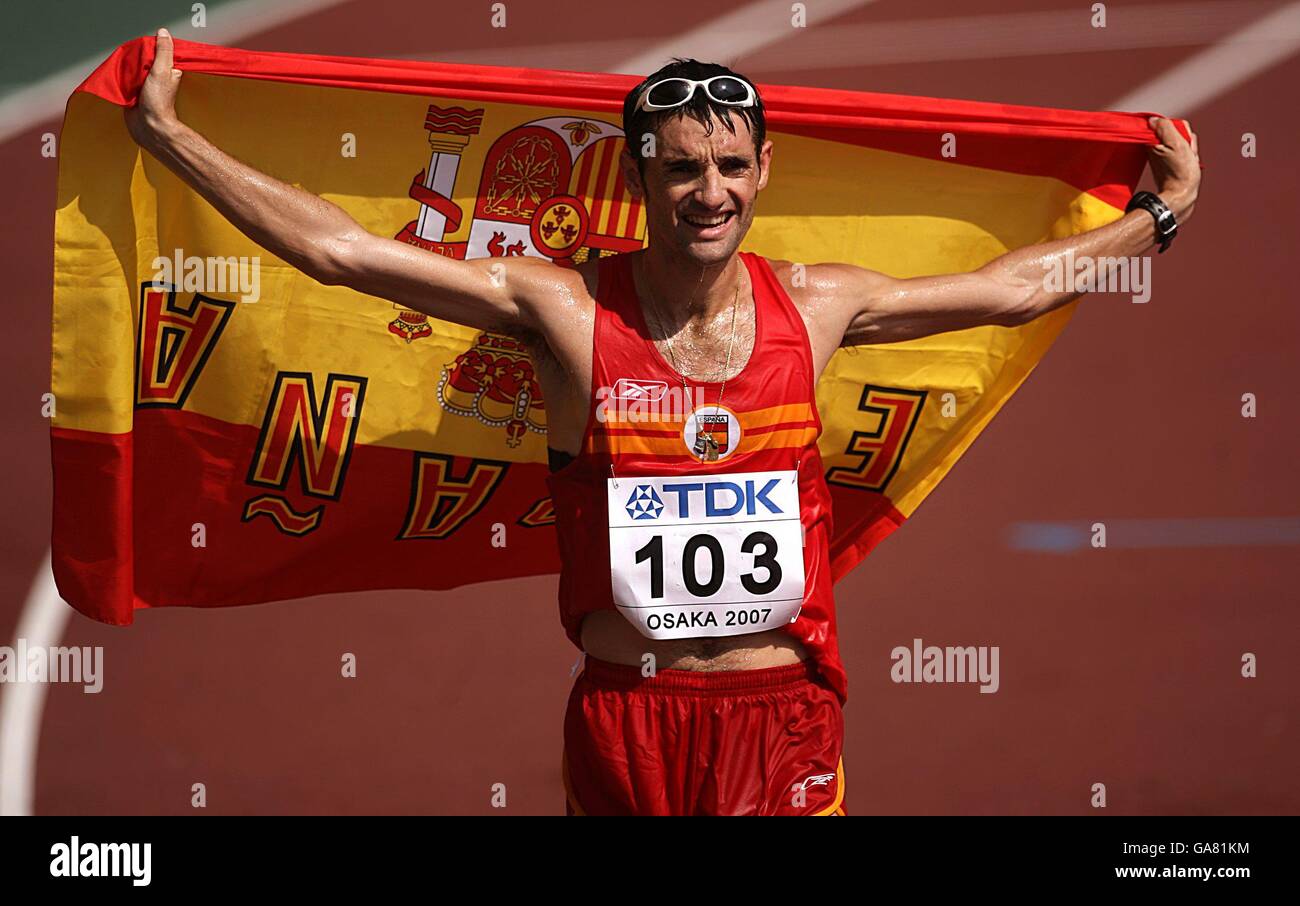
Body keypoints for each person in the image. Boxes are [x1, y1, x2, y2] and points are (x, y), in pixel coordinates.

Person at [125, 28, 1201, 815]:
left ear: (763, 172)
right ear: (639, 169)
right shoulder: (564, 309)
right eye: (682, 165)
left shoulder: (818, 306)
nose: (709, 191)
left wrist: (1151, 218)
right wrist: (172, 141)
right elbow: (343, 254)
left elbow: (1012, 288)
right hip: (627, 716)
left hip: (781, 714)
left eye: (731, 166)